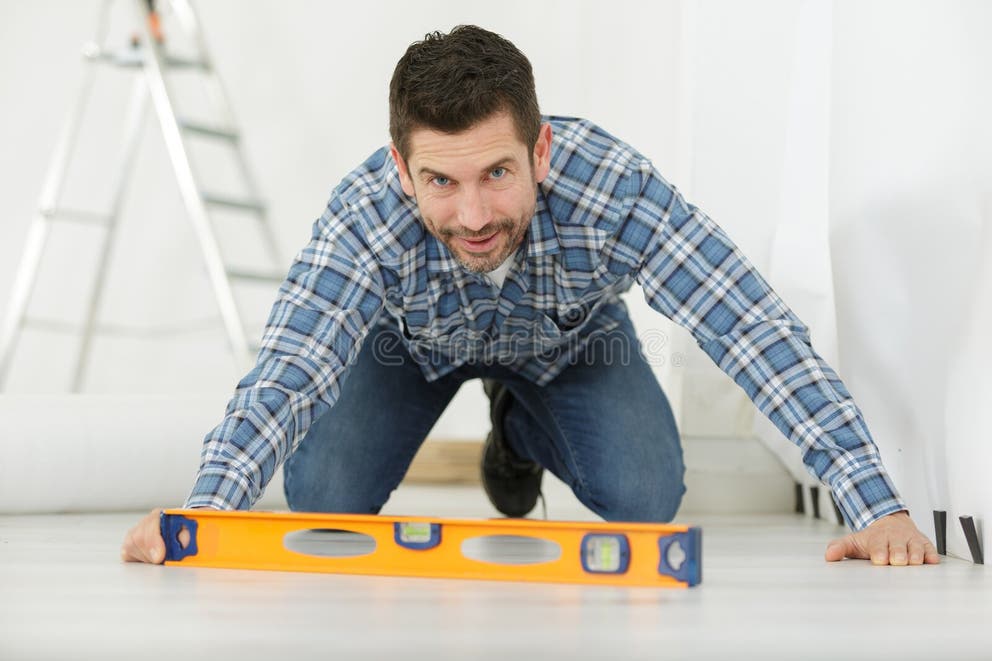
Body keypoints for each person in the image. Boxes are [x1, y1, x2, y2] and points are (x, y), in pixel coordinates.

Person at [122, 25, 938, 567]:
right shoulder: (363, 215)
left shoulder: (612, 188)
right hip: (406, 349)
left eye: (497, 173)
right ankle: (489, 409)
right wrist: (198, 520)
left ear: (541, 150)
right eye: (441, 182)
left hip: (568, 345)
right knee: (325, 502)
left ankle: (515, 431)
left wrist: (874, 505)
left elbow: (750, 326)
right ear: (402, 170)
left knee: (647, 496)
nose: (474, 215)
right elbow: (289, 369)